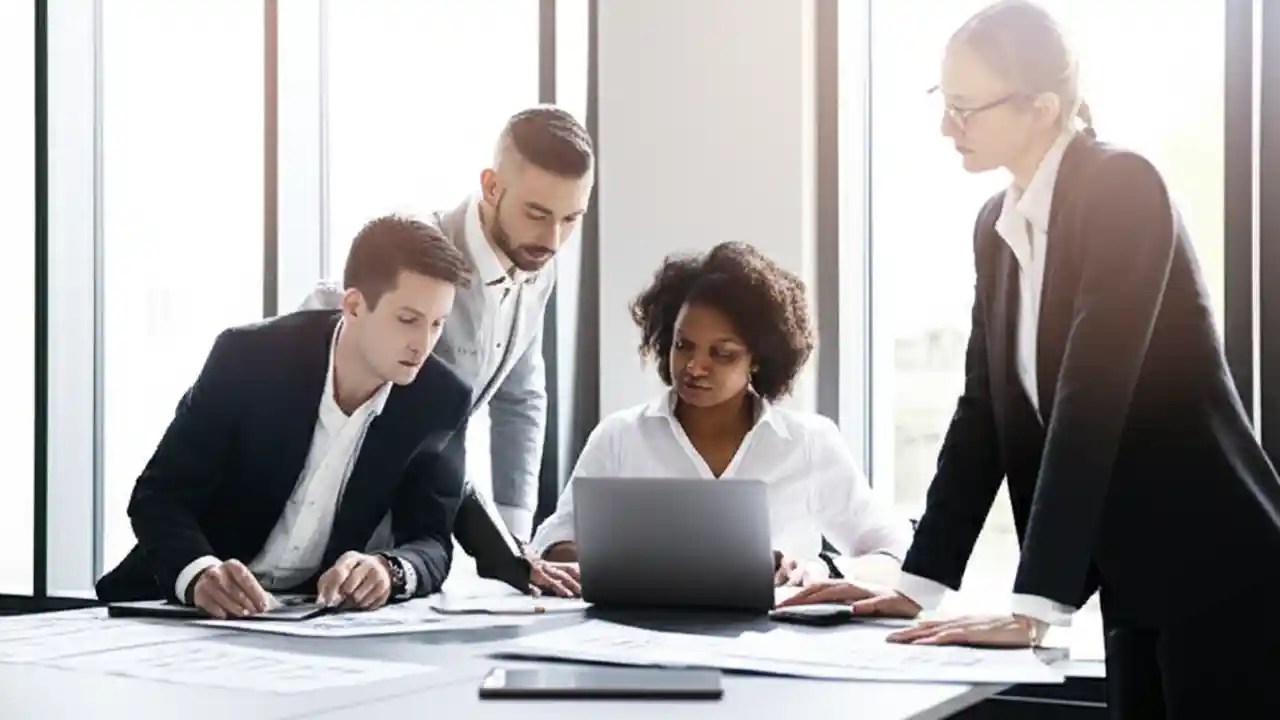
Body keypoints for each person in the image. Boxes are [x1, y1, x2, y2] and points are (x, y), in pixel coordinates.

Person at [780, 1, 1280, 716]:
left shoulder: (1123, 188)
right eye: (943, 101)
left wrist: (1035, 606)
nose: (946, 127)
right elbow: (983, 412)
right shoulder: (997, 225)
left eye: (964, 108)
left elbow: (1091, 397)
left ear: (1042, 107)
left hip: (1217, 565)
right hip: (1133, 573)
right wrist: (917, 585)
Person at [96, 215, 473, 617]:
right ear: (354, 306)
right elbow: (159, 495)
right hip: (171, 607)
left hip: (305, 619)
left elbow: (432, 540)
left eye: (437, 324)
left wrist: (389, 570)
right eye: (408, 320)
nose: (423, 344)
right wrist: (200, 574)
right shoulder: (249, 358)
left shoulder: (440, 399)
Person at [302, 105, 594, 597]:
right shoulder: (420, 247)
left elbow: (520, 398)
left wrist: (513, 541)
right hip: (324, 520)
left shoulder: (537, 264)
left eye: (571, 219)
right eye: (537, 213)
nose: (553, 239)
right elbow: (327, 310)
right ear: (492, 186)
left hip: (407, 546)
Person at [530, 242, 911, 586]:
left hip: (778, 635)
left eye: (722, 354)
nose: (694, 366)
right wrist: (629, 564)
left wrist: (821, 570)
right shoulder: (621, 435)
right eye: (683, 345)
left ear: (758, 358)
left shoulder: (809, 443)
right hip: (642, 633)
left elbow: (894, 551)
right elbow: (553, 541)